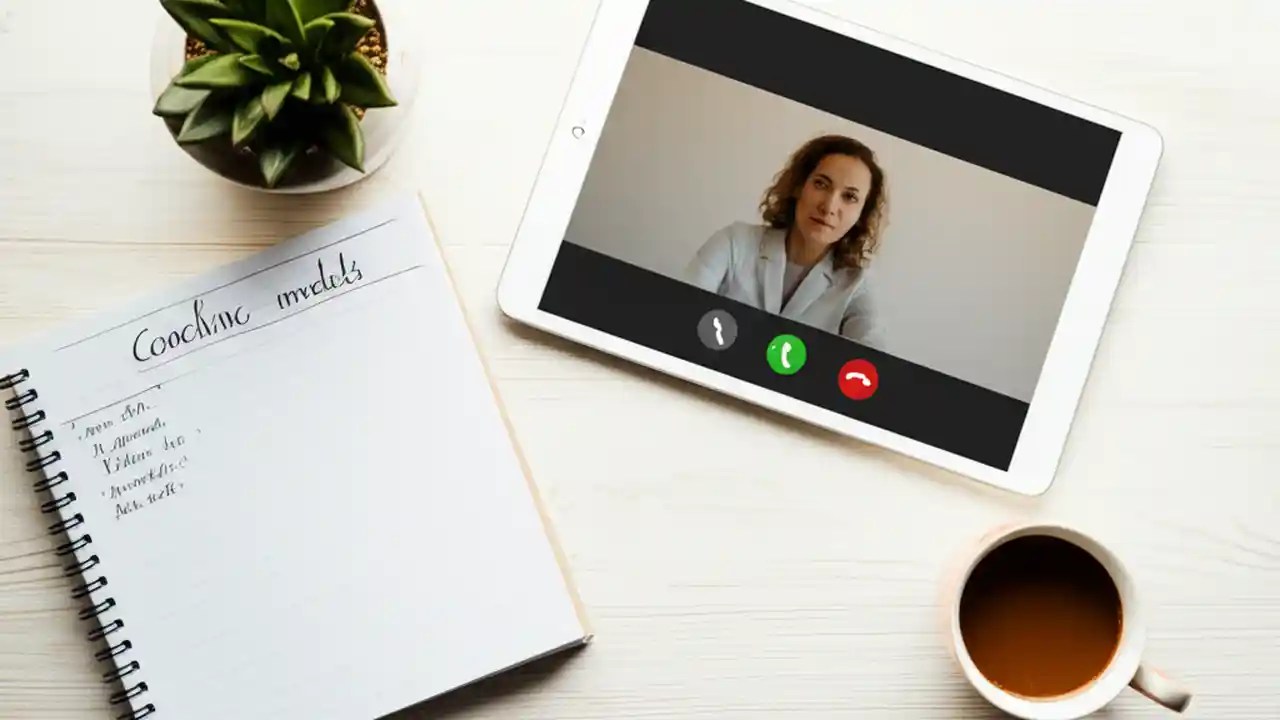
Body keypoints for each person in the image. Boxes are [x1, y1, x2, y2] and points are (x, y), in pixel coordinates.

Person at [685, 134, 888, 346]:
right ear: (798, 187)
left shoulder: (858, 286)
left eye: (850, 197)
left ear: (861, 215)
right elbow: (684, 309)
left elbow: (872, 357)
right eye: (821, 184)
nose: (828, 207)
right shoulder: (734, 242)